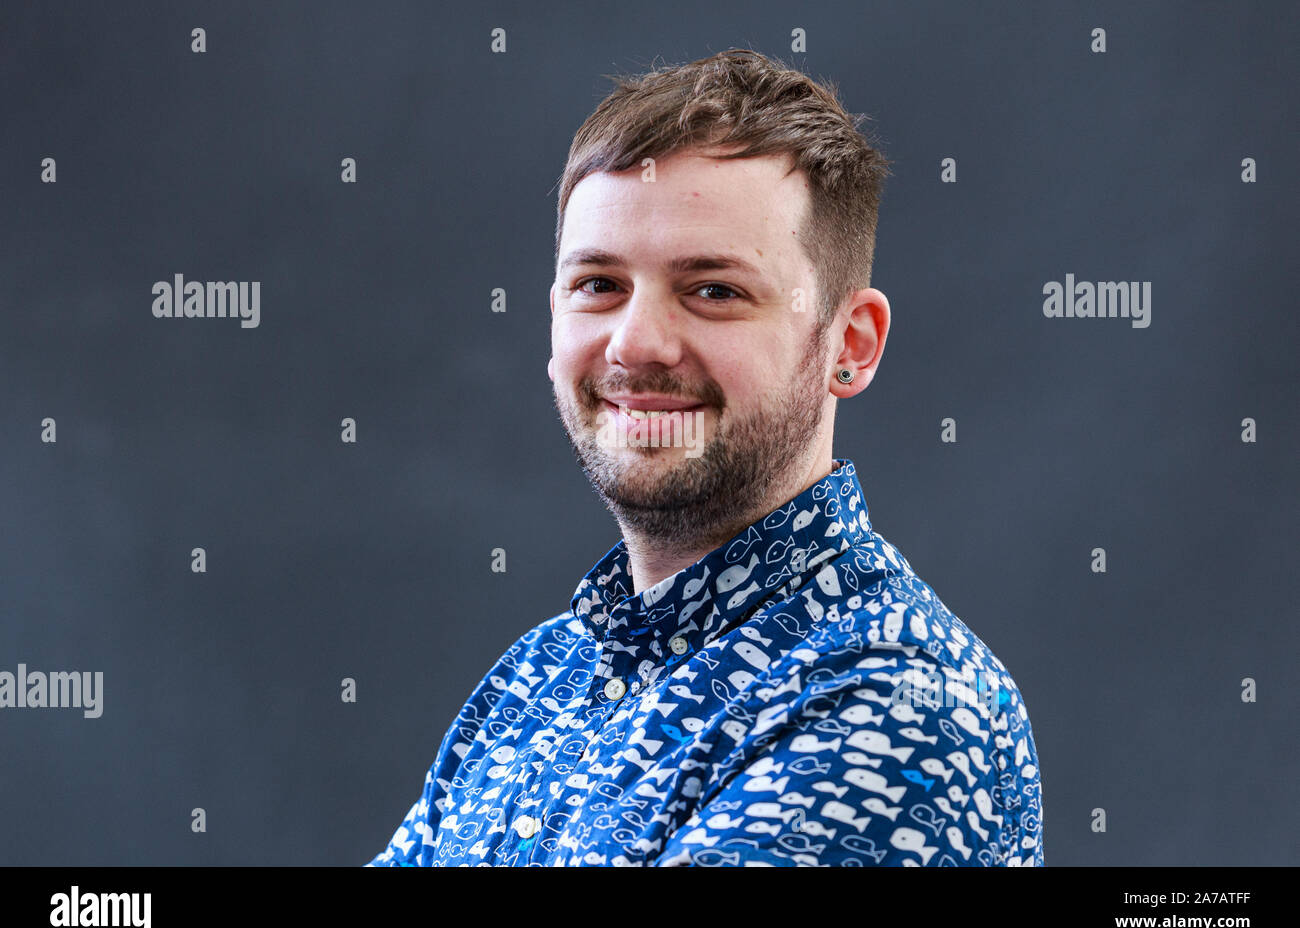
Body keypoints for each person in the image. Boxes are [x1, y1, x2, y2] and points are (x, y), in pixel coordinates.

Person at [367, 48, 1044, 866]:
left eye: (714, 290)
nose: (636, 343)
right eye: (598, 285)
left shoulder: (900, 701)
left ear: (851, 346)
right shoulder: (532, 683)